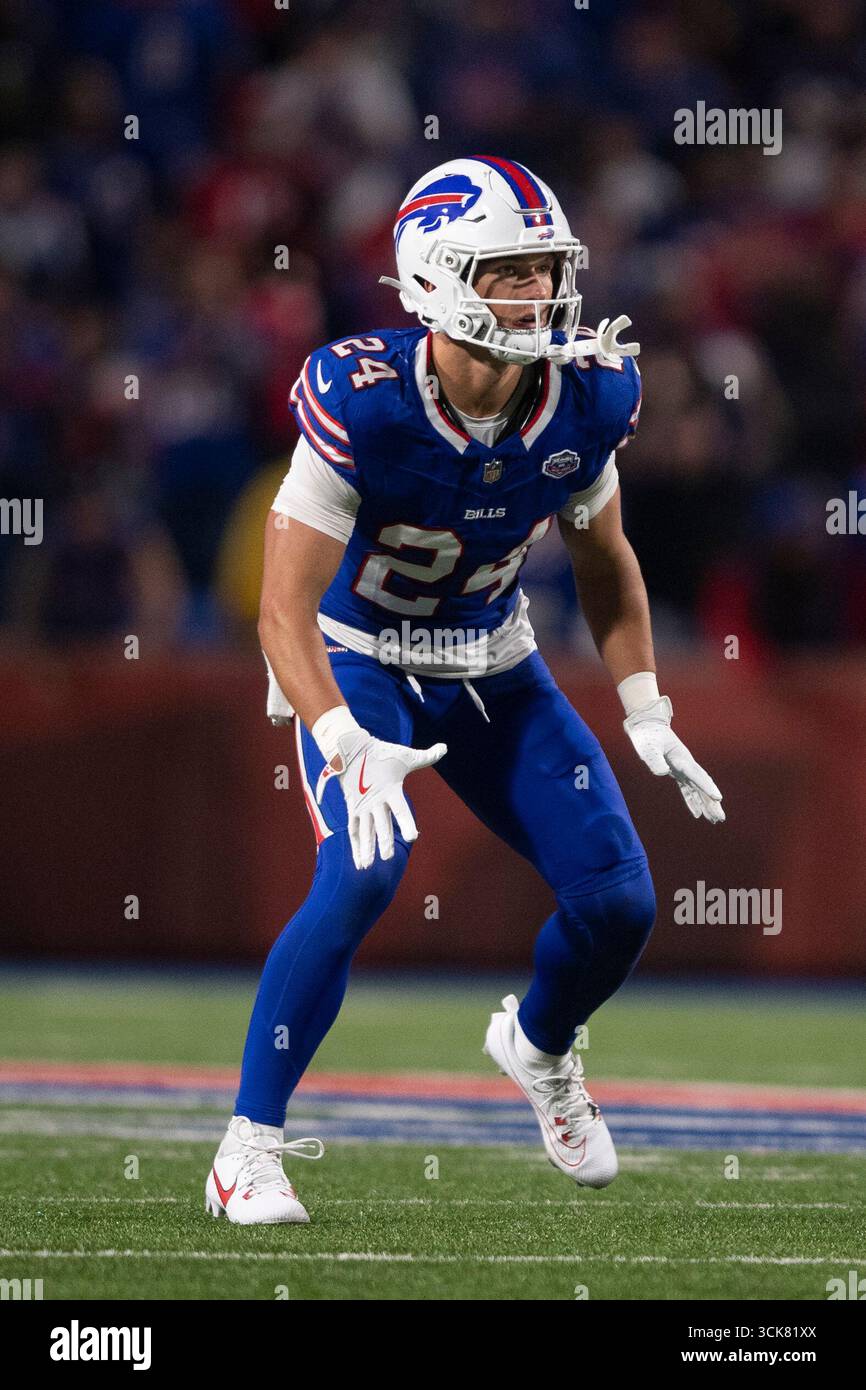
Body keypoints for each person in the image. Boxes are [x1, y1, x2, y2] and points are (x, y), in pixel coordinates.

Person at [205, 157, 724, 1226]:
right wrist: (343, 735)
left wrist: (642, 705)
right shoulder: (364, 399)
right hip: (357, 658)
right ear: (437, 280)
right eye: (513, 270)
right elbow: (281, 610)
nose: (542, 293)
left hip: (491, 660)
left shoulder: (587, 393)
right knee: (360, 874)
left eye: (548, 268)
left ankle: (535, 1047)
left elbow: (605, 562)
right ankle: (246, 1146)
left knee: (620, 901)